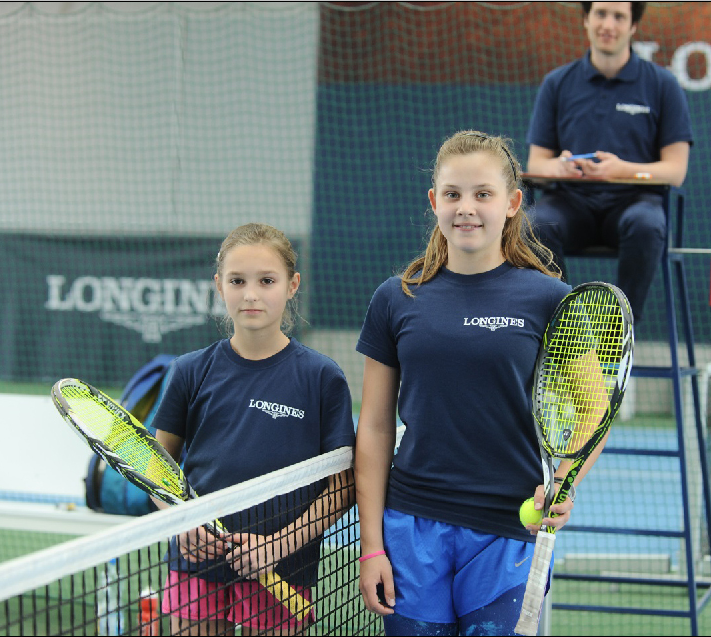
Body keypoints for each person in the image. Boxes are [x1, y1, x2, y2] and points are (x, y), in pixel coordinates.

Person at [355, 131, 601, 636]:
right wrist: (372, 546)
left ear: (512, 203)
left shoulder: (551, 298)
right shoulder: (395, 298)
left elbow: (594, 409)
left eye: (482, 194)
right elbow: (375, 427)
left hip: (508, 532)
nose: (466, 207)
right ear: (434, 202)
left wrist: (564, 481)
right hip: (411, 528)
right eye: (453, 194)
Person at [151, 223, 355, 636]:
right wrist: (179, 521)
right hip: (196, 563)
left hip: (282, 569)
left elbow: (343, 486)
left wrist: (279, 544)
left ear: (292, 285)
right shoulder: (188, 371)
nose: (250, 294)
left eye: (266, 281)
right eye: (237, 281)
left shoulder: (322, 377)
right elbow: (156, 467)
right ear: (219, 286)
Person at [526, 1, 693, 322]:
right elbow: (537, 164)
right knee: (534, 223)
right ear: (586, 19)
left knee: (647, 224)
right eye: (600, 14)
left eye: (619, 16)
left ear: (633, 26)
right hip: (571, 204)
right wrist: (558, 167)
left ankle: (618, 333)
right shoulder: (557, 83)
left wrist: (622, 170)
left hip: (634, 204)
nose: (608, 25)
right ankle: (567, 329)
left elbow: (675, 171)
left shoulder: (663, 85)